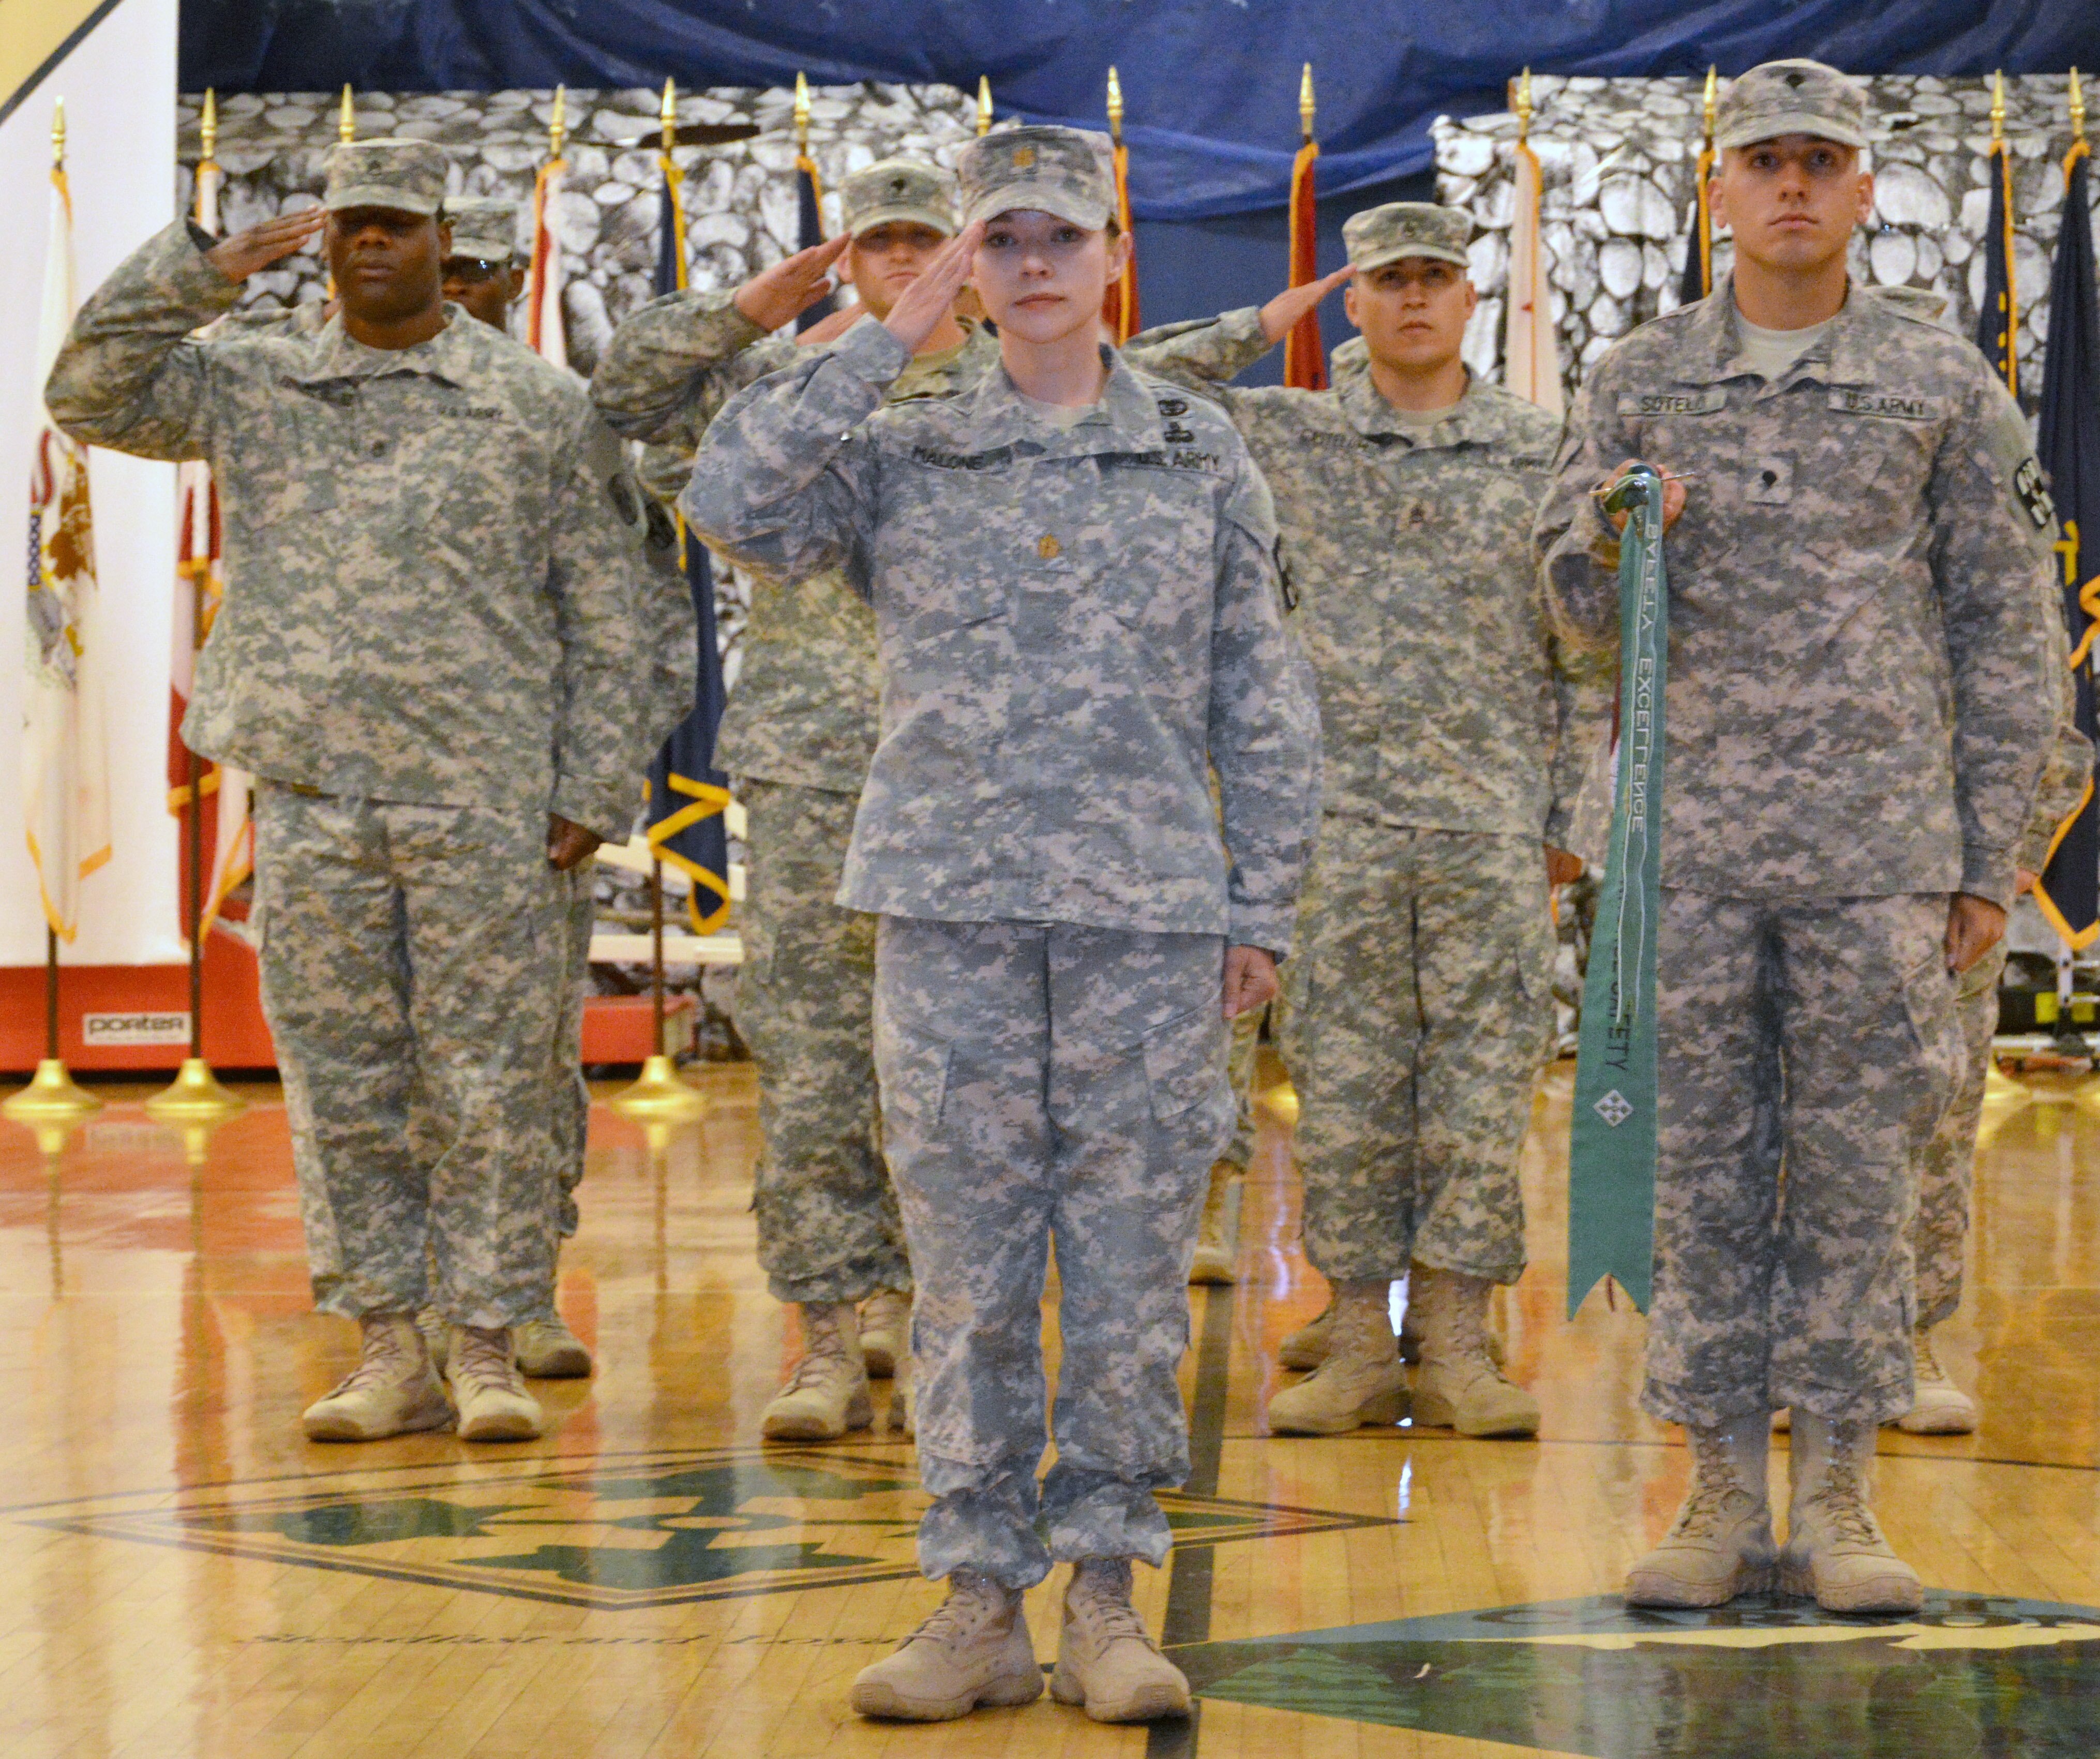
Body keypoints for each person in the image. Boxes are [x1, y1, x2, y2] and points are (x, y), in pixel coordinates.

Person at [685, 126, 1319, 1724]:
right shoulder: (900, 445)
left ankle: (1107, 1594)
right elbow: (730, 502)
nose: (1034, 267)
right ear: (968, 263)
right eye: (1002, 240)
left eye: (1063, 239)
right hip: (950, 908)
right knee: (964, 1266)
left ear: (1116, 261)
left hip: (1149, 916)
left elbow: (1262, 690)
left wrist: (1262, 903)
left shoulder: (1196, 446)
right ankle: (974, 1599)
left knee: (1120, 1264)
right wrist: (884, 338)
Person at [1534, 62, 2061, 1613]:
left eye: (1817, 163)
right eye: (1759, 161)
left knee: (1853, 1178)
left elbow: (2006, 624)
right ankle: (1708, 1493)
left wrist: (1987, 857)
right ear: (1716, 188)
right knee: (1692, 1172)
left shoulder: (1939, 381)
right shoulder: (1637, 375)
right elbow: (1567, 609)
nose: (1787, 188)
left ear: (1860, 191)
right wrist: (1610, 532)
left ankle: (1838, 1497)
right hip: (1680, 848)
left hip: (1874, 847)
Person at [47, 140, 655, 1444]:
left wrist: (597, 777)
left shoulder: (539, 404)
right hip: (318, 791)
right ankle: (391, 1347)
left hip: (484, 795)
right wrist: (193, 276)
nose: (373, 244)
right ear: (322, 243)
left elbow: (611, 612)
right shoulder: (253, 379)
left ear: (448, 243)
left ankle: (487, 1341)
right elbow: (87, 394)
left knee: (490, 1080)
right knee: (341, 1083)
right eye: (353, 224)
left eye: (400, 224)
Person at [1126, 203, 1584, 1438]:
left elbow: (1590, 650)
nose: (1415, 299)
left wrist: (1574, 817)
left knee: (1484, 1094)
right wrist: (1263, 320)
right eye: (1388, 281)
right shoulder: (1288, 433)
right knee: (1344, 1094)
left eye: (1437, 276)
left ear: (1471, 296)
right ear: (1356, 301)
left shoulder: (1543, 450)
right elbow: (1133, 383)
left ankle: (1453, 1342)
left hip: (1492, 825)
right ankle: (1357, 1336)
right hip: (1333, 825)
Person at [593, 159, 1002, 1441]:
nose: (902, 266)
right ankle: (828, 1336)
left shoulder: (1023, 393)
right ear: (847, 261)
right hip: (818, 766)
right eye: (877, 247)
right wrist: (749, 311)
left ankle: (944, 1333)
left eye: (924, 244)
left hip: (980, 780)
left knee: (964, 1074)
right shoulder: (783, 391)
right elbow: (627, 398)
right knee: (822, 1064)